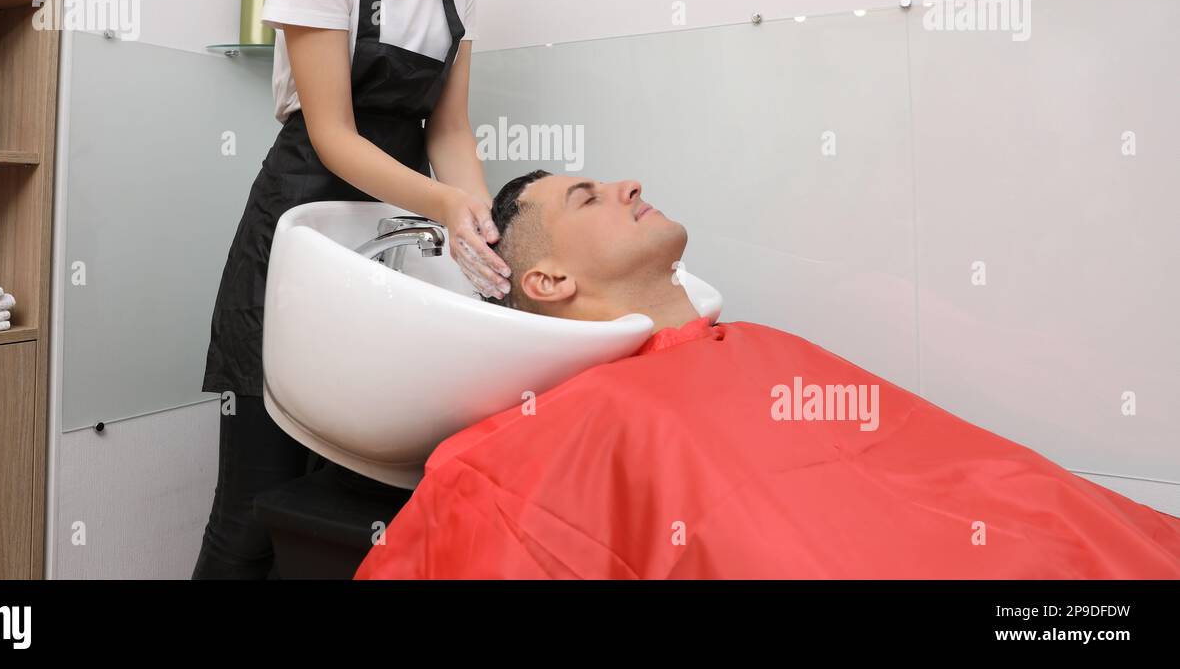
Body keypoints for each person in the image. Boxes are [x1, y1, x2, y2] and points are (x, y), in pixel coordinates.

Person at [354, 170, 1180, 578]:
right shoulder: (570, 423)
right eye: (587, 199)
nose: (629, 183)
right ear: (549, 283)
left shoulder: (761, 348)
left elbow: (951, 474)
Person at [192, 0, 514, 579]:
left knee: (343, 517)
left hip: (384, 249)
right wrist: (445, 209)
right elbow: (333, 135)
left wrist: (483, 227)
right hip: (298, 239)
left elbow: (448, 131)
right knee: (253, 516)